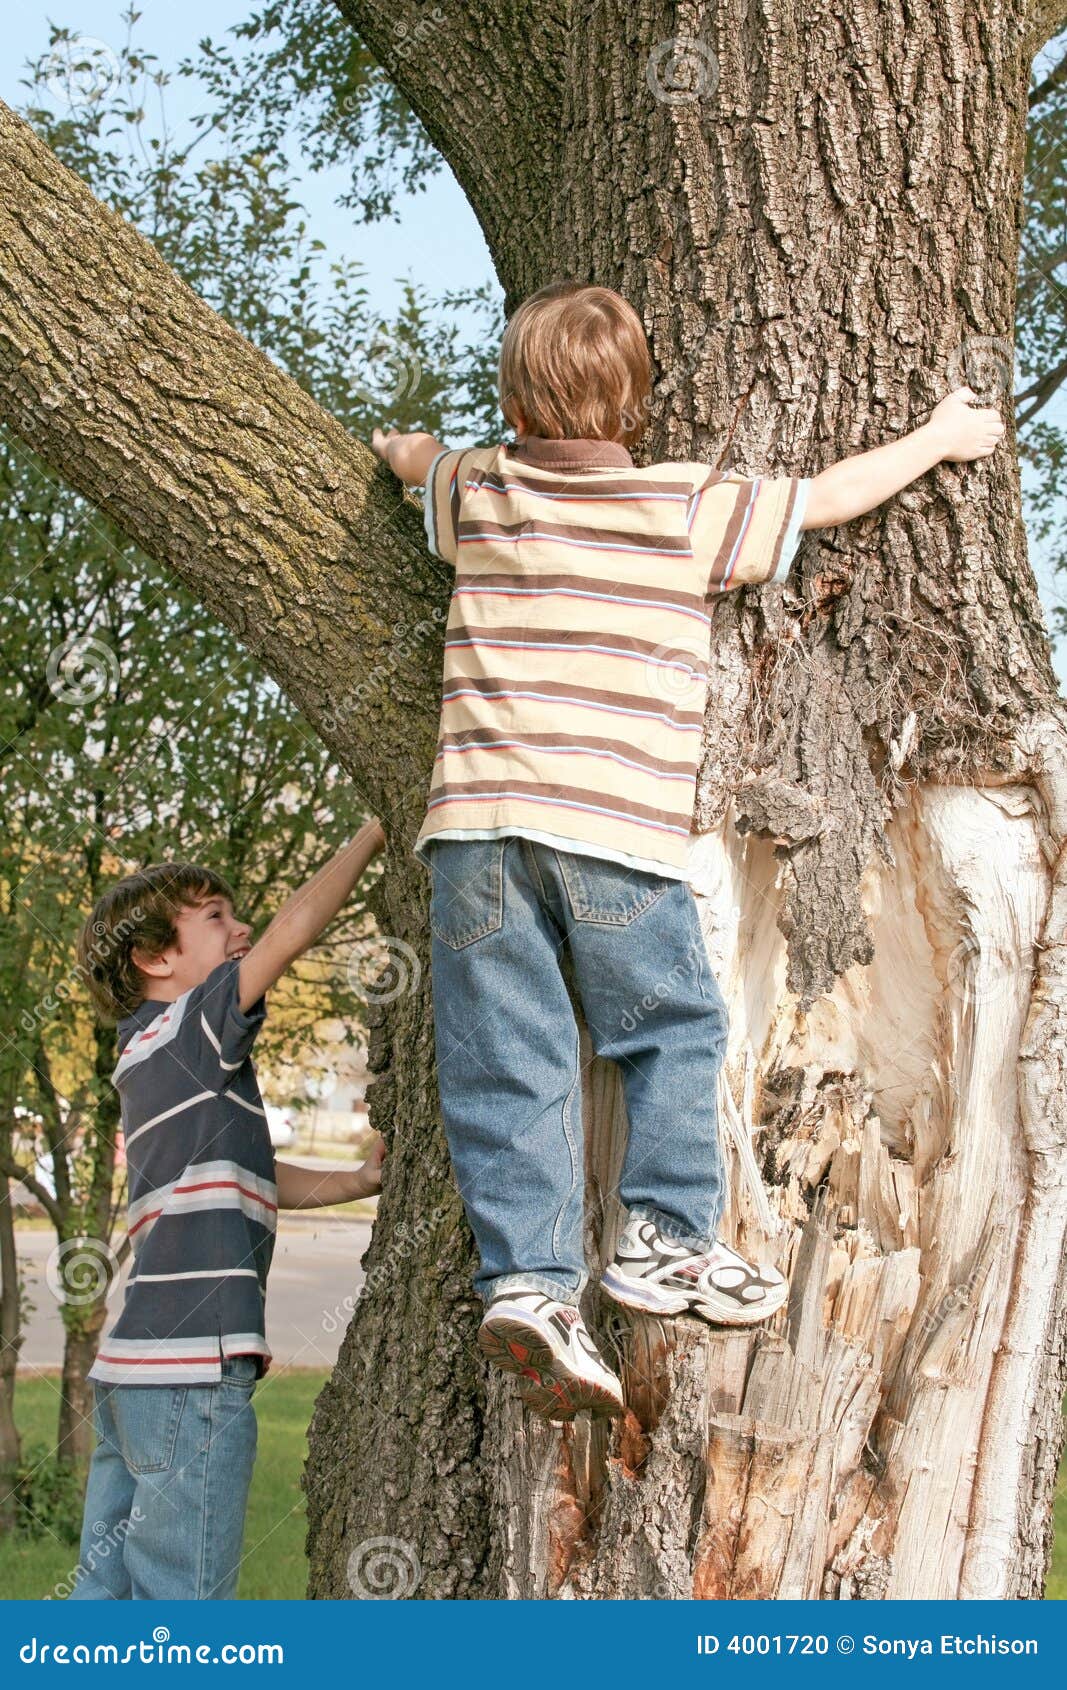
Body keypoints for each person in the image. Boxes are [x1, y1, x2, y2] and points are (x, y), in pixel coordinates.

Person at [372, 280, 1004, 1420]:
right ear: (636, 406)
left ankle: (528, 1284)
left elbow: (423, 464)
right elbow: (827, 496)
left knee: (504, 1061)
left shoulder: (484, 489)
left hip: (474, 837)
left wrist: (401, 449)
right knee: (668, 1025)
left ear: (512, 404)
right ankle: (663, 1235)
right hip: (609, 829)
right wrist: (940, 437)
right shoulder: (682, 503)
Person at [68, 821, 387, 1598]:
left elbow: (254, 1175)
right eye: (216, 918)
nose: (240, 929)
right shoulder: (189, 1030)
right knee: (183, 1606)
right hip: (189, 1372)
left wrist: (356, 1181)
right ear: (155, 959)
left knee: (104, 1601)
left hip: (133, 1374)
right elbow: (289, 934)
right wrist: (371, 835)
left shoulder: (147, 1057)